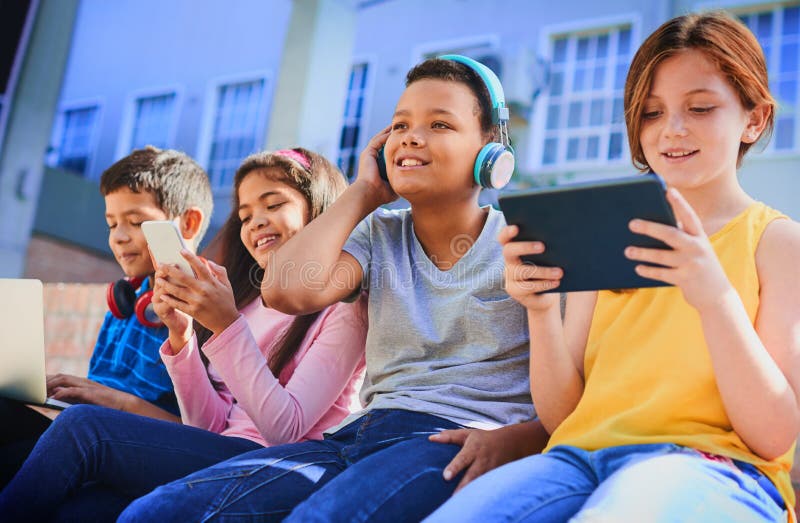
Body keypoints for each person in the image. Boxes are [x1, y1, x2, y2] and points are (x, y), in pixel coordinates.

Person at [118, 56, 547, 523]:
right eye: (399, 125)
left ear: (491, 150)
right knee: (157, 511)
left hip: (449, 438)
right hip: (357, 437)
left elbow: (578, 381)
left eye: (440, 124)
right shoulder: (377, 234)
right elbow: (284, 292)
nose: (411, 136)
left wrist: (521, 439)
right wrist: (363, 191)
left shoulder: (526, 239)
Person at [426, 11, 800, 522]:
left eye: (701, 108)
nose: (671, 129)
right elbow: (566, 420)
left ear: (754, 119)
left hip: (714, 468)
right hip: (577, 461)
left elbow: (775, 434)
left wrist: (715, 299)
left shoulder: (776, 241)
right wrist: (538, 310)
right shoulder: (603, 231)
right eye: (650, 113)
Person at [0, 148, 368, 522]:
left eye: (273, 205)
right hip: (218, 449)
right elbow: (207, 427)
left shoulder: (346, 308)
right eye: (245, 215)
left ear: (321, 212)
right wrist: (182, 336)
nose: (256, 222)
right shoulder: (252, 304)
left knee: (82, 428)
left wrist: (227, 326)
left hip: (275, 463)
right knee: (81, 511)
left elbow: (284, 430)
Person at [0, 146, 213, 487]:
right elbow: (98, 391)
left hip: (130, 447)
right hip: (82, 427)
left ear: (188, 222)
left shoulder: (206, 312)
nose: (119, 236)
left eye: (137, 222)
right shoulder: (125, 301)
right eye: (112, 223)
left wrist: (105, 398)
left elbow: (199, 431)